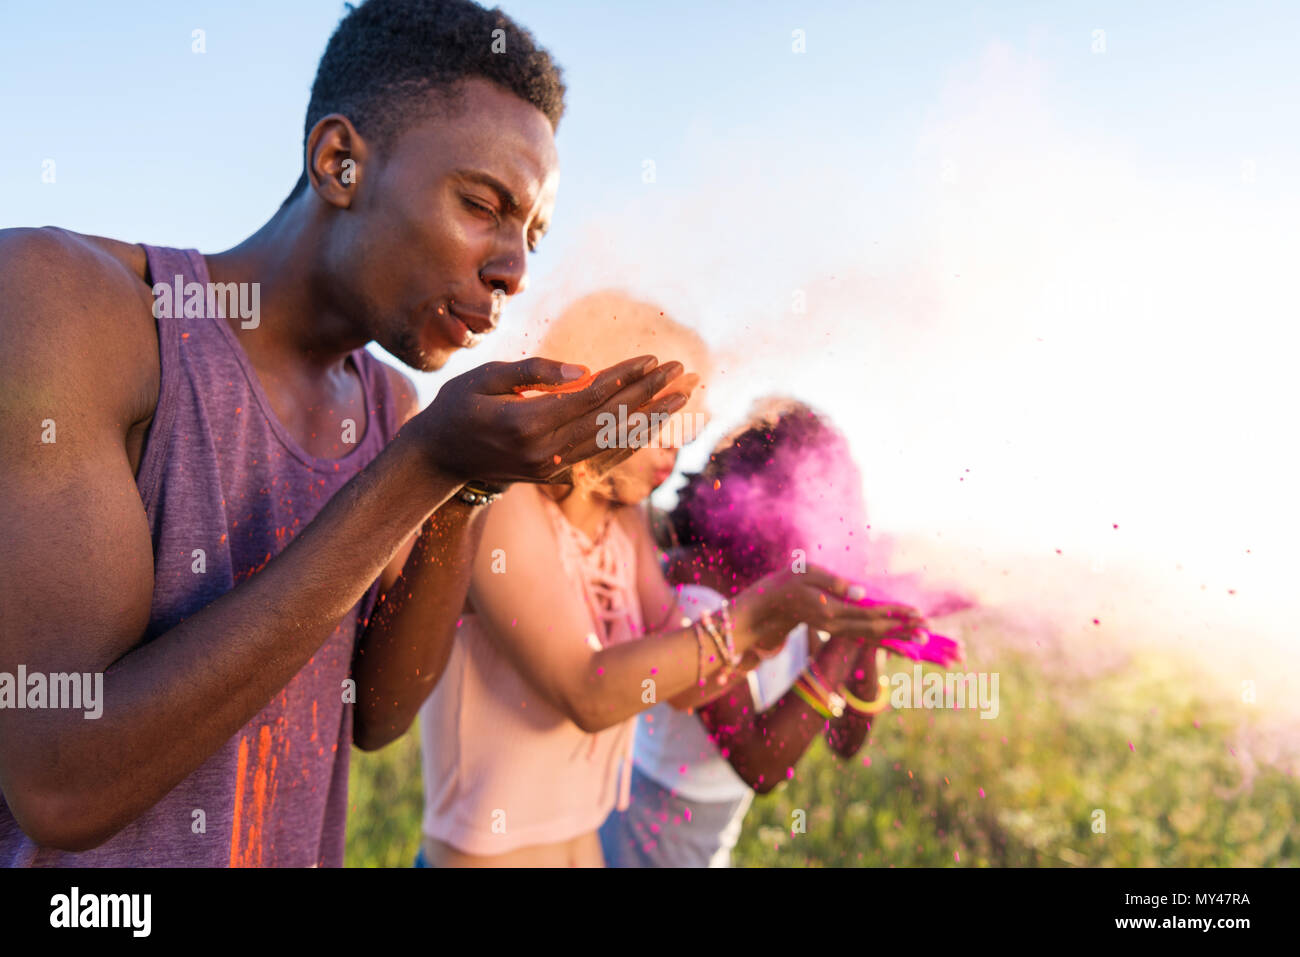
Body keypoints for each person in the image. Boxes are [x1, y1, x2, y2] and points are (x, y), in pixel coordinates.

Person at [0, 0, 694, 867]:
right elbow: (64, 781)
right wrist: (423, 466)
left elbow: (379, 716)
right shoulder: (67, 304)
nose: (514, 267)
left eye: (532, 234)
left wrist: (466, 484)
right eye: (484, 204)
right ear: (339, 162)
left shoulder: (393, 408)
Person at [416, 295, 927, 867]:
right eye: (668, 418)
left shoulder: (625, 519)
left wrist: (775, 623)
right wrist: (754, 615)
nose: (679, 446)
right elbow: (589, 692)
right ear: (595, 391)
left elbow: (684, 683)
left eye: (692, 426)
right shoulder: (503, 500)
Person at [601, 398, 961, 867]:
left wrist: (867, 632)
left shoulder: (801, 585)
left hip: (711, 830)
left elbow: (845, 742)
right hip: (648, 828)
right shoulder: (697, 594)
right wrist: (850, 634)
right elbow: (760, 765)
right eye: (817, 501)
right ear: (758, 502)